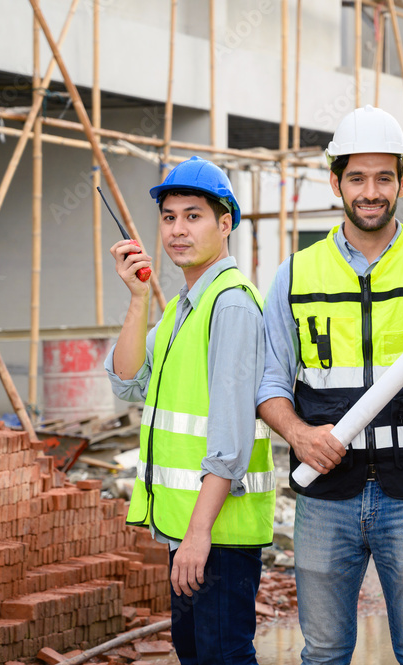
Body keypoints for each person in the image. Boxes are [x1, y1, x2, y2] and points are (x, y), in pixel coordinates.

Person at [257, 105, 403, 665]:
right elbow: (268, 380)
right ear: (335, 182)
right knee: (324, 653)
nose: (371, 191)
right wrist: (299, 433)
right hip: (325, 495)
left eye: (384, 177)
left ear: (402, 183)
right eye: (357, 177)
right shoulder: (295, 273)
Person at [104, 156, 275, 665]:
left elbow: (231, 437)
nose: (178, 229)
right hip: (190, 528)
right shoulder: (185, 306)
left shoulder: (231, 305)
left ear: (225, 224)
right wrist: (138, 299)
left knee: (222, 655)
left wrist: (198, 536)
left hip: (217, 534)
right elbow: (128, 382)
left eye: (193, 215)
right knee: (196, 654)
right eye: (169, 217)